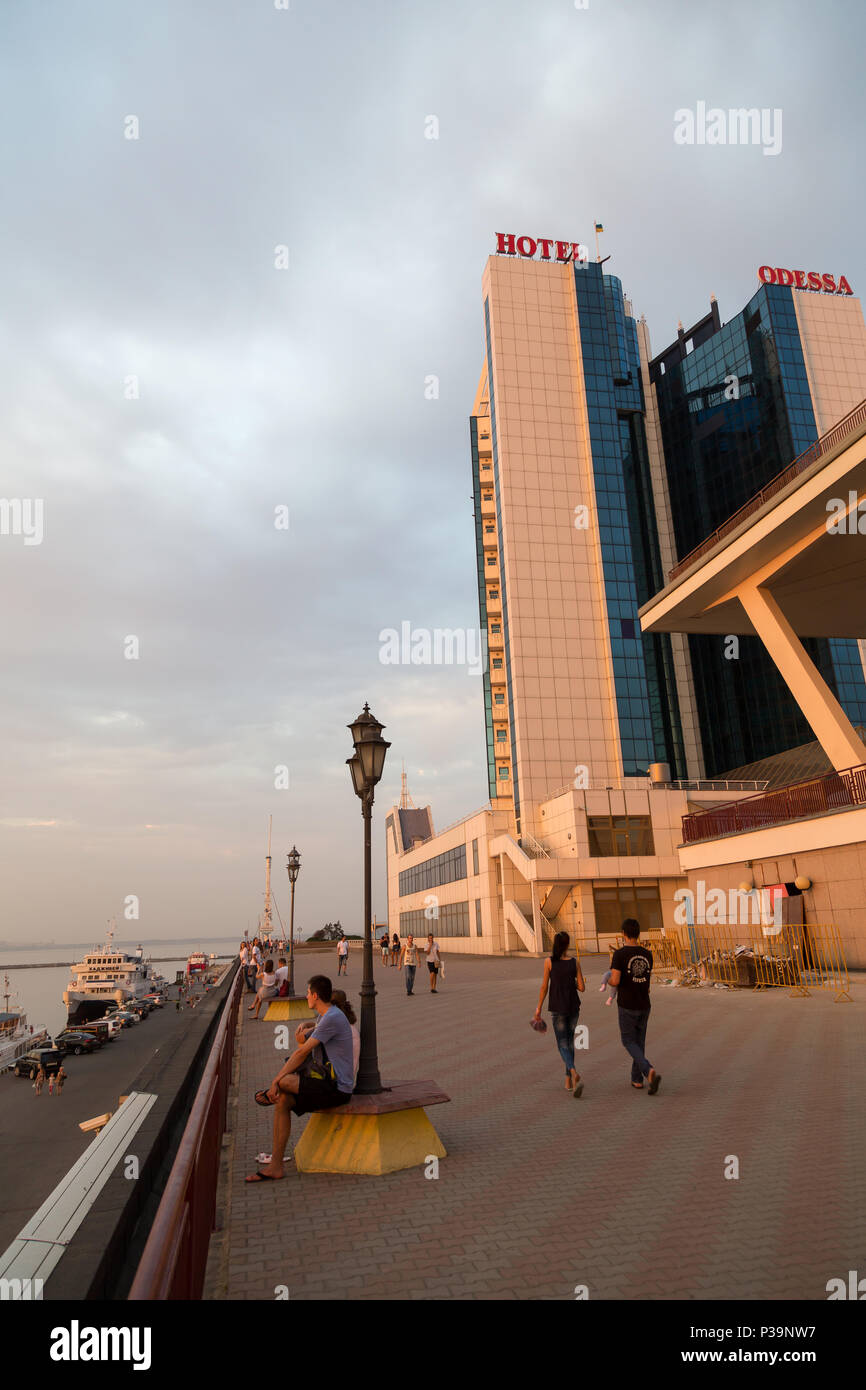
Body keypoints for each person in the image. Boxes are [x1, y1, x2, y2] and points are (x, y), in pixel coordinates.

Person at [246, 975, 354, 1183]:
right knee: (284, 1102)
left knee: (285, 1082)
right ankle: (275, 1167)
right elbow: (302, 1038)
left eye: (307, 993)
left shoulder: (332, 1017)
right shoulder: (327, 1016)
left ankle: (272, 1094)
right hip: (325, 1084)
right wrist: (308, 1023)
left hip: (338, 1088)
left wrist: (275, 1081)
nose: (305, 996)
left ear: (315, 995)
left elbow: (300, 1053)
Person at [609, 918, 661, 1094]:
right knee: (639, 1042)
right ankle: (637, 1079)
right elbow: (647, 980)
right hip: (644, 1003)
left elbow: (615, 980)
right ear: (638, 934)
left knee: (628, 1041)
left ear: (623, 934)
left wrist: (607, 979)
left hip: (627, 1004)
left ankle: (647, 1070)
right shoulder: (647, 954)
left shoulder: (620, 954)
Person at [534, 930, 585, 1096]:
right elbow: (582, 987)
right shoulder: (574, 962)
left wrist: (538, 1008)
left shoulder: (549, 962)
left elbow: (544, 987)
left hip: (557, 1007)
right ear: (567, 944)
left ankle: (572, 1071)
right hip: (573, 1007)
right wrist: (574, 982)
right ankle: (568, 1080)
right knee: (569, 1043)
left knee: (562, 1044)